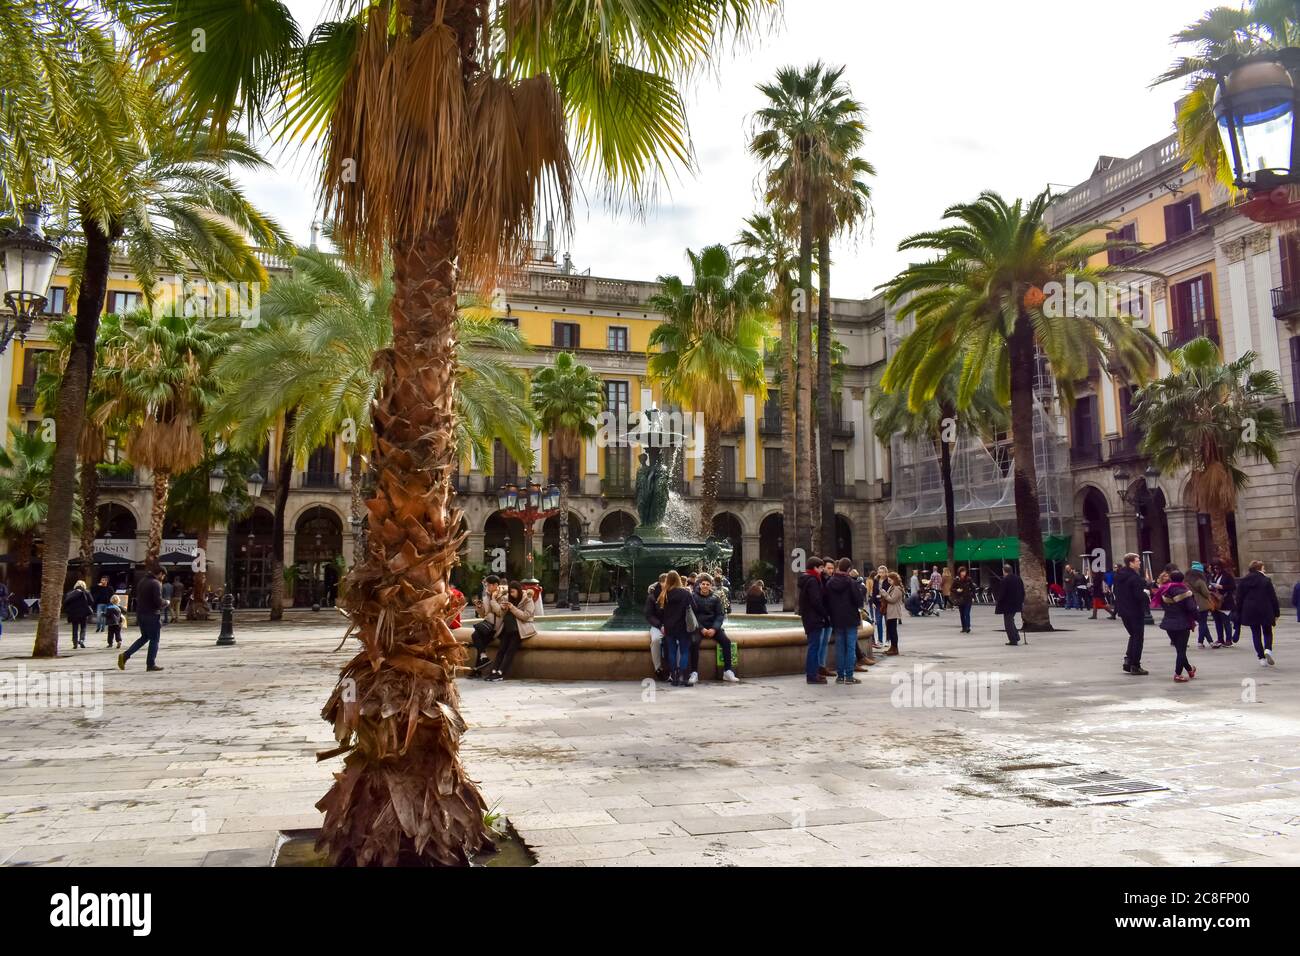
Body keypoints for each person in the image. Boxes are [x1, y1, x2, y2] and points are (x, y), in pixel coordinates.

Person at [823, 558, 865, 684]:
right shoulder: (850, 582)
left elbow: (827, 600)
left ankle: (840, 676)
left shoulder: (830, 582)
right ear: (848, 569)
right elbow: (858, 601)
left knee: (840, 647)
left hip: (836, 619)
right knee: (851, 647)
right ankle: (849, 676)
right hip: (850, 618)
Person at [485, 580, 536, 681]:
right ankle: (494, 671)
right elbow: (500, 613)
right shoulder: (507, 598)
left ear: (518, 591)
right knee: (501, 650)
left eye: (513, 592)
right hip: (507, 628)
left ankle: (501, 673)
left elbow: (526, 616)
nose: (511, 594)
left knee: (510, 651)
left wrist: (512, 608)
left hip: (519, 630)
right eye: (510, 592)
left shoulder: (528, 599)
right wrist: (502, 607)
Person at [119, 568, 166, 672]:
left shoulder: (142, 581)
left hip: (140, 614)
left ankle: (125, 655)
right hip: (152, 615)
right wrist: (166, 602)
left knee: (144, 637)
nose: (163, 578)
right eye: (163, 576)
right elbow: (158, 601)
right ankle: (150, 664)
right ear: (161, 573)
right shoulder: (155, 583)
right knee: (154, 639)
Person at [694, 573, 737, 683]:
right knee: (694, 643)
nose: (705, 586)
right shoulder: (693, 597)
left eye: (707, 584)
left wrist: (714, 628)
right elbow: (692, 616)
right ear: (699, 585)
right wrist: (701, 629)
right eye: (703, 584)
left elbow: (720, 615)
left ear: (710, 586)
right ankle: (693, 672)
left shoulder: (716, 598)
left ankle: (728, 671)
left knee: (726, 642)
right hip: (699, 628)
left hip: (714, 628)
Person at [1236, 560, 1279, 666]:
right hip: (1265, 608)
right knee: (1267, 631)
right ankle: (1268, 649)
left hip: (1250, 610)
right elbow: (1273, 597)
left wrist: (1239, 611)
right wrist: (1276, 612)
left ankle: (1261, 658)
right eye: (1263, 568)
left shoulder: (1243, 581)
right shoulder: (1265, 580)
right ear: (1259, 568)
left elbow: (1239, 598)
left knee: (1256, 633)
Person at [1158, 569, 1198, 683]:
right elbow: (1192, 608)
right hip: (1182, 623)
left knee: (1179, 649)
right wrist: (1197, 617)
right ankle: (1178, 674)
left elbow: (1162, 604)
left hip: (1168, 623)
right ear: (1183, 579)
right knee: (1181, 650)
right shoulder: (1185, 592)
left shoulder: (1165, 591)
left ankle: (1190, 670)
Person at [659, 570, 696, 687]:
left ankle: (674, 677)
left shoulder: (664, 594)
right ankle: (684, 676)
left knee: (672, 651)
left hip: (669, 627)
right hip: (683, 627)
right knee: (684, 651)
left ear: (668, 581)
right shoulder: (685, 593)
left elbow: (661, 612)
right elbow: (694, 606)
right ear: (679, 579)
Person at [1114, 552, 1149, 676]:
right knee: (1138, 637)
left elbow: (1116, 592)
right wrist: (1146, 595)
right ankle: (1135, 664)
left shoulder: (1118, 576)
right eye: (1137, 560)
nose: (1139, 562)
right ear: (1131, 563)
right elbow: (1139, 596)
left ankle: (1128, 661)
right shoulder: (1135, 578)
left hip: (1123, 611)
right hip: (1135, 611)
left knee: (1133, 635)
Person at [798, 557, 829, 684]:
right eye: (821, 568)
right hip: (814, 618)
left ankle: (814, 673)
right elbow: (816, 601)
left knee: (814, 646)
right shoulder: (812, 581)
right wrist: (825, 614)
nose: (822, 571)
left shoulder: (807, 579)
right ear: (815, 568)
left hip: (809, 617)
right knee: (814, 647)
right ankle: (811, 675)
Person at [1184, 561, 1215, 648]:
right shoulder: (1200, 581)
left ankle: (1210, 641)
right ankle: (1200, 642)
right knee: (1203, 623)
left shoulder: (1186, 581)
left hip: (1191, 603)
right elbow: (1206, 593)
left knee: (1202, 623)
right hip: (1202, 604)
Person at [993, 563, 1024, 646]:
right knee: (1011, 620)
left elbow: (1002, 593)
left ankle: (1013, 639)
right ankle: (1016, 636)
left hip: (1007, 605)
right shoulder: (1018, 579)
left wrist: (998, 600)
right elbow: (1022, 591)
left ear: (1004, 571)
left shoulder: (1005, 580)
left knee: (1008, 623)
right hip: (1017, 603)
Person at [645, 573, 668, 680]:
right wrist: (660, 626)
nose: (667, 585)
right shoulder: (652, 596)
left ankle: (676, 669)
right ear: (660, 583)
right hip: (657, 626)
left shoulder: (674, 594)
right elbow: (649, 615)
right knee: (655, 640)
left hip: (672, 625)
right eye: (665, 582)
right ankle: (658, 668)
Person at [1209, 561, 1237, 647]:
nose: (1216, 570)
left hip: (1225, 601)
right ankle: (1220, 638)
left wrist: (1222, 587)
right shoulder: (1214, 576)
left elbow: (1233, 587)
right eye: (1214, 568)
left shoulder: (1227, 576)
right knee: (1217, 621)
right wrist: (1211, 586)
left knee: (1226, 622)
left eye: (1217, 568)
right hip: (1215, 601)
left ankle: (1228, 640)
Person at [62, 580, 95, 649]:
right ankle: (82, 640)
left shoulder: (71, 593)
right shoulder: (86, 592)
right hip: (84, 612)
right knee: (83, 627)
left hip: (73, 613)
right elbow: (91, 602)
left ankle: (75, 642)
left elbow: (66, 602)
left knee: (75, 628)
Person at [882, 572, 905, 655]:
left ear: (894, 580)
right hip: (890, 611)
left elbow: (892, 600)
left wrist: (884, 593)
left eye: (890, 580)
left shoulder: (897, 588)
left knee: (893, 630)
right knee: (891, 630)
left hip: (894, 611)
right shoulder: (892, 587)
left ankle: (895, 648)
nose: (889, 582)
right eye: (888, 580)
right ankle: (892, 647)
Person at [950, 565, 975, 633]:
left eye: (964, 572)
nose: (963, 573)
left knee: (967, 613)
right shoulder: (956, 580)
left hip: (968, 598)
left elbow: (973, 588)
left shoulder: (969, 579)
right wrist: (957, 590)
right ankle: (963, 627)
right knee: (962, 614)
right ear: (959, 572)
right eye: (962, 572)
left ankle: (968, 627)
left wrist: (973, 597)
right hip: (960, 599)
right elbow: (951, 589)